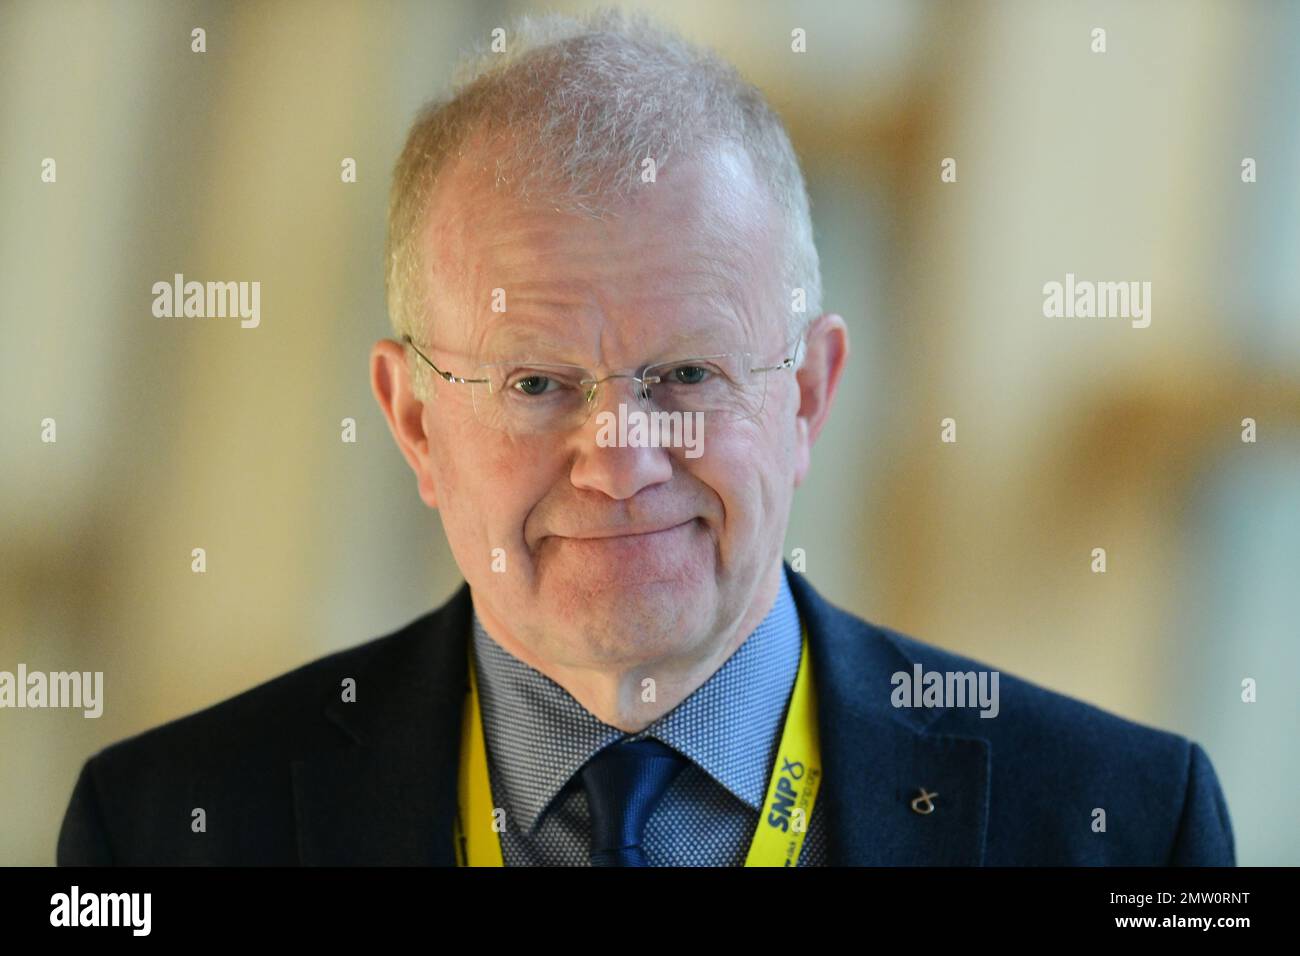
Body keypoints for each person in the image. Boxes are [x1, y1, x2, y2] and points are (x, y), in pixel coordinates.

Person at [57, 9, 1234, 866]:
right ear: (416, 422)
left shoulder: (1126, 825)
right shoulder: (162, 829)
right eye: (533, 382)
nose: (619, 459)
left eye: (684, 372)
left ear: (810, 393)